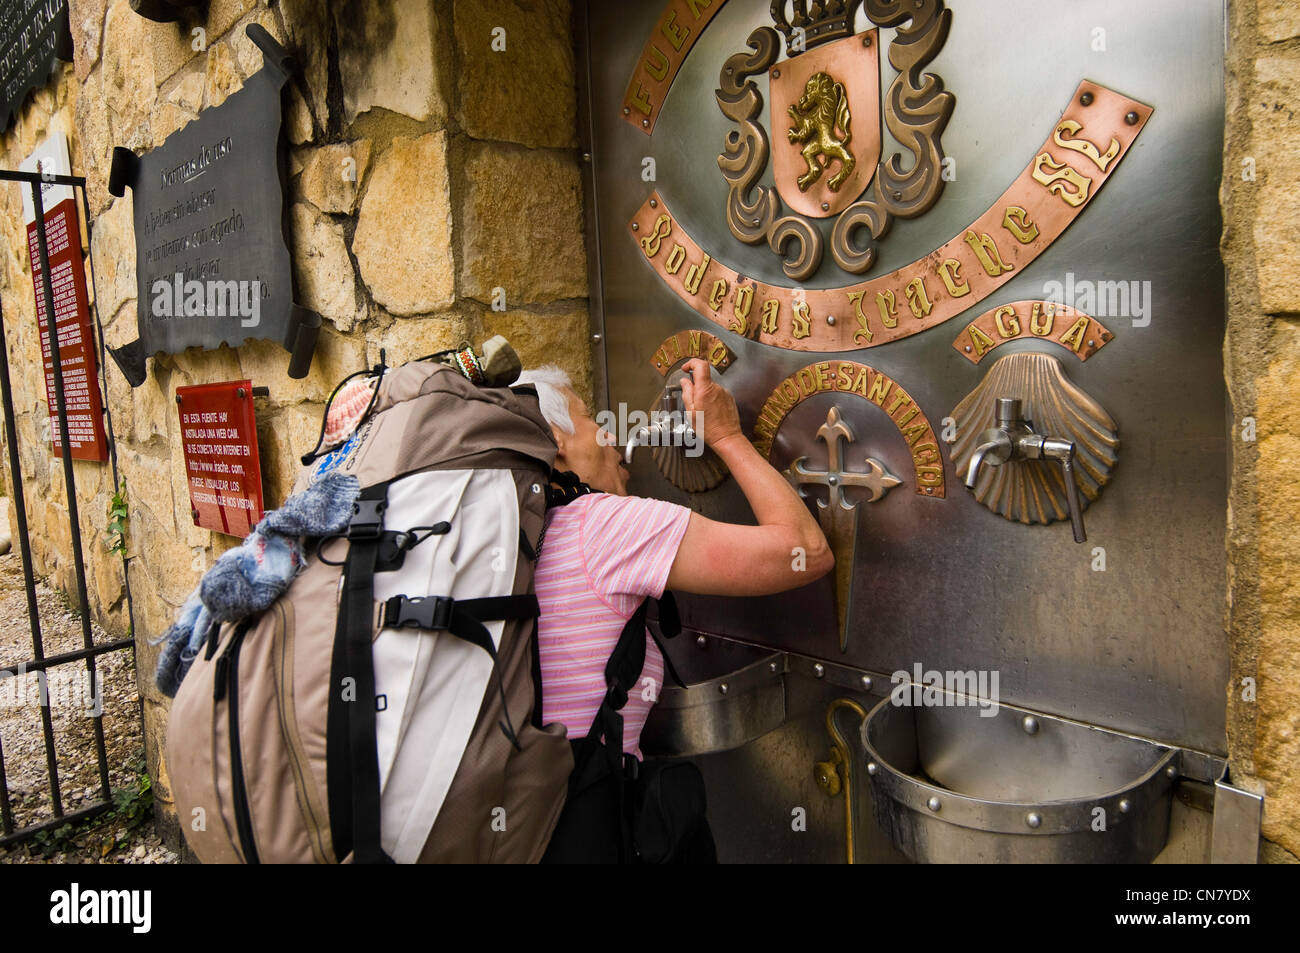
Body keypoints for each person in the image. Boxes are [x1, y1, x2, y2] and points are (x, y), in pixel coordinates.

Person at [514, 357, 833, 863]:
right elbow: (806, 552)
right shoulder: (604, 526)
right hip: (584, 826)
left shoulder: (514, 536)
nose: (612, 438)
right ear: (558, 443)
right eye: (593, 419)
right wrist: (727, 435)